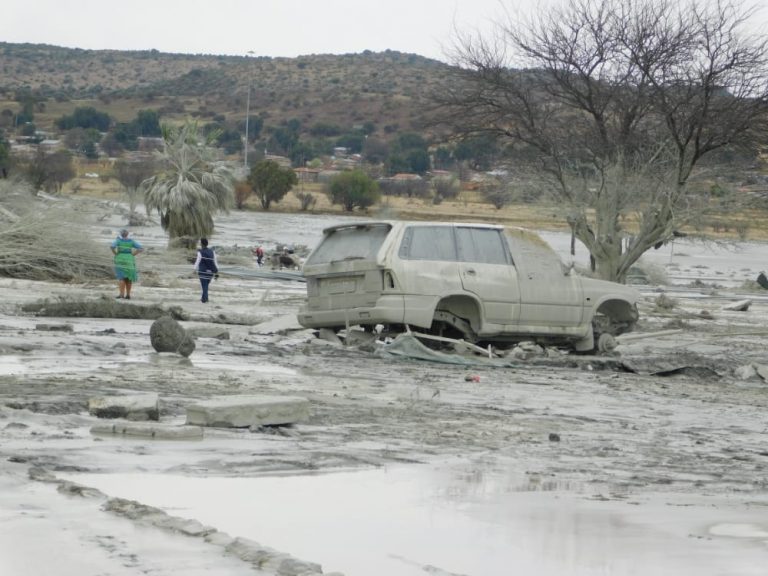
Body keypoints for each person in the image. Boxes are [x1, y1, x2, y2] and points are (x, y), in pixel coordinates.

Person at [111, 228, 143, 300]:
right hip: (129, 258)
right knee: (129, 278)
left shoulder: (118, 240)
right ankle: (128, 295)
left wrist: (115, 253)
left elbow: (112, 246)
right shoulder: (131, 241)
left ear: (120, 234)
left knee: (121, 277)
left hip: (120, 258)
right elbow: (141, 248)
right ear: (127, 234)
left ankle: (121, 294)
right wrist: (133, 254)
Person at [194, 238, 219, 303]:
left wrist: (194, 269)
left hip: (203, 272)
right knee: (206, 286)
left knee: (204, 287)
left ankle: (205, 300)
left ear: (201, 244)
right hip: (210, 273)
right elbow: (215, 262)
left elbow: (197, 261)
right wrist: (217, 271)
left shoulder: (200, 252)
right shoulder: (212, 252)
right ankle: (203, 299)